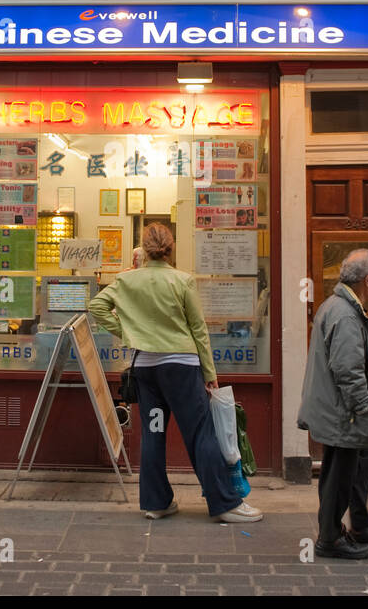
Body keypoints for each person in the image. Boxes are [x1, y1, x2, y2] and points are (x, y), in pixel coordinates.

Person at [88, 222, 261, 524]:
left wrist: (129, 332)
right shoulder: (182, 280)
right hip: (181, 368)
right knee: (200, 433)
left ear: (144, 249)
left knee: (153, 433)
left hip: (146, 370)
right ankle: (225, 503)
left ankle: (156, 503)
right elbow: (198, 329)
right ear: (171, 248)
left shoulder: (126, 280)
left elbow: (97, 306)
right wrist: (209, 371)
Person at [297, 249, 368, 559]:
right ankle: (329, 538)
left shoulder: (338, 306)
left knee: (360, 461)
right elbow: (347, 369)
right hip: (343, 411)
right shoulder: (344, 314)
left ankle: (359, 526)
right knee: (340, 474)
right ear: (367, 280)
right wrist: (362, 407)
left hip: (338, 408)